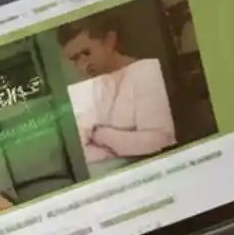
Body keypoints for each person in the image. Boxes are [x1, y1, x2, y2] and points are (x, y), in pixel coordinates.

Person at [57, 15, 177, 167]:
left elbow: (160, 141)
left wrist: (101, 135)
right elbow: (84, 150)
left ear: (109, 41)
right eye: (75, 59)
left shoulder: (145, 72)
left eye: (86, 53)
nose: (83, 65)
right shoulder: (92, 85)